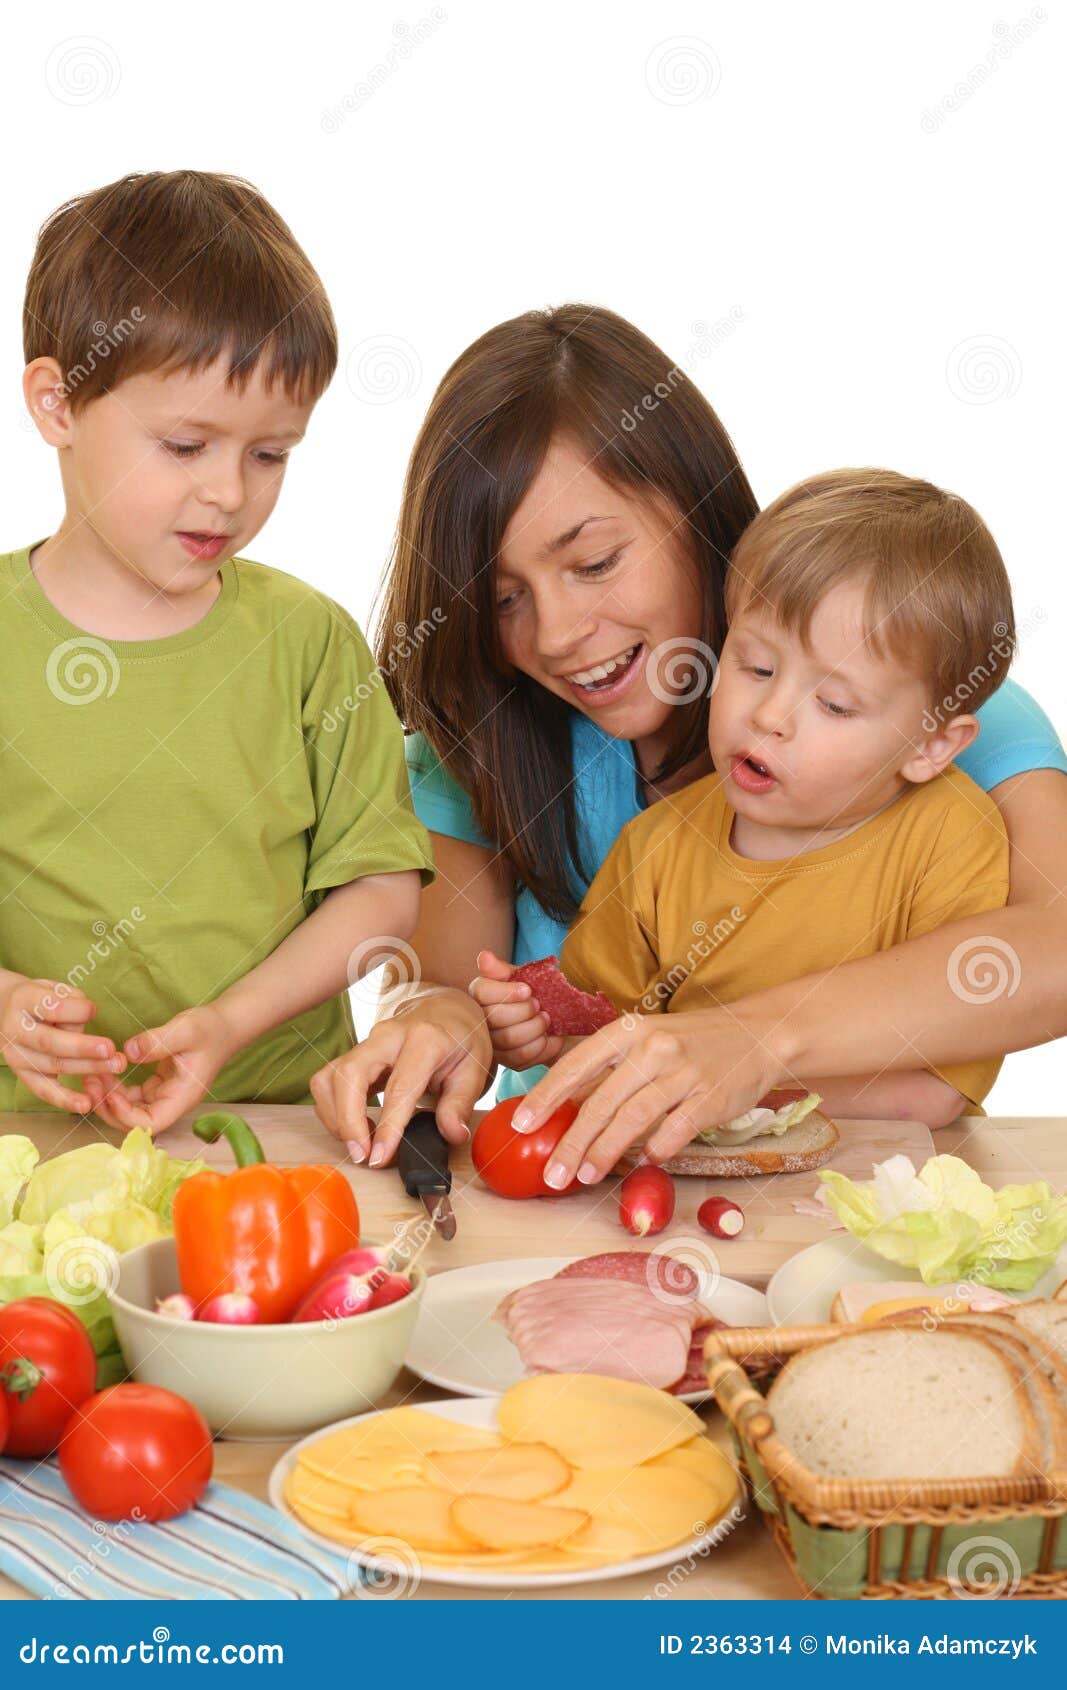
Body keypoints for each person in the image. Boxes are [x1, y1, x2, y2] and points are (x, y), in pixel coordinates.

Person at [309, 306, 1067, 1178]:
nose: (556, 634)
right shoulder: (479, 734)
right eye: (504, 596)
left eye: (593, 563)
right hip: (584, 1200)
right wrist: (434, 1017)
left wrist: (747, 1044)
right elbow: (444, 980)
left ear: (697, 509)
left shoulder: (917, 691)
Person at [1, 170, 433, 1127]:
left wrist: (229, 1023)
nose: (231, 494)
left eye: (269, 453)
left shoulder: (309, 641)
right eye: (188, 445)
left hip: (279, 1135)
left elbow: (379, 893)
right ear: (57, 403)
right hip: (24, 1147)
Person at [475, 468, 1014, 1184]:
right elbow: (604, 1041)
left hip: (890, 1194)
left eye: (835, 706)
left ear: (931, 747)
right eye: (754, 665)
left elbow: (932, 1091)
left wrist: (731, 1082)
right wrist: (537, 1031)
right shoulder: (656, 846)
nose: (769, 716)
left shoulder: (953, 839)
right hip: (685, 1189)